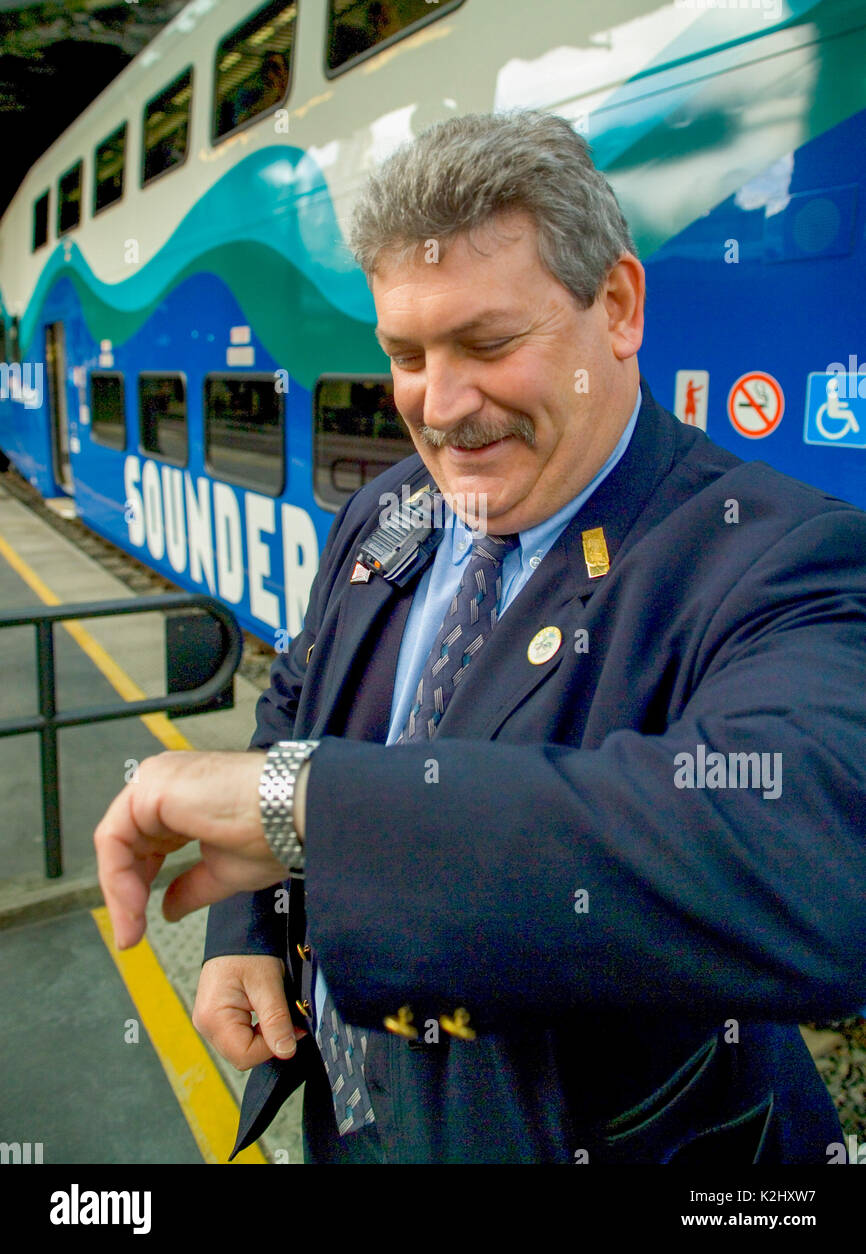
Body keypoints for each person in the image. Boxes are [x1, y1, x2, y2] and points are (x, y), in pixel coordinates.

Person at [96, 110, 866, 1165]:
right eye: (405, 354)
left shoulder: (775, 549)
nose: (440, 407)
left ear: (618, 306)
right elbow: (300, 706)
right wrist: (253, 930)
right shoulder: (392, 512)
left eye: (487, 343)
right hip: (348, 1120)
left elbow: (810, 853)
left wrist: (299, 808)